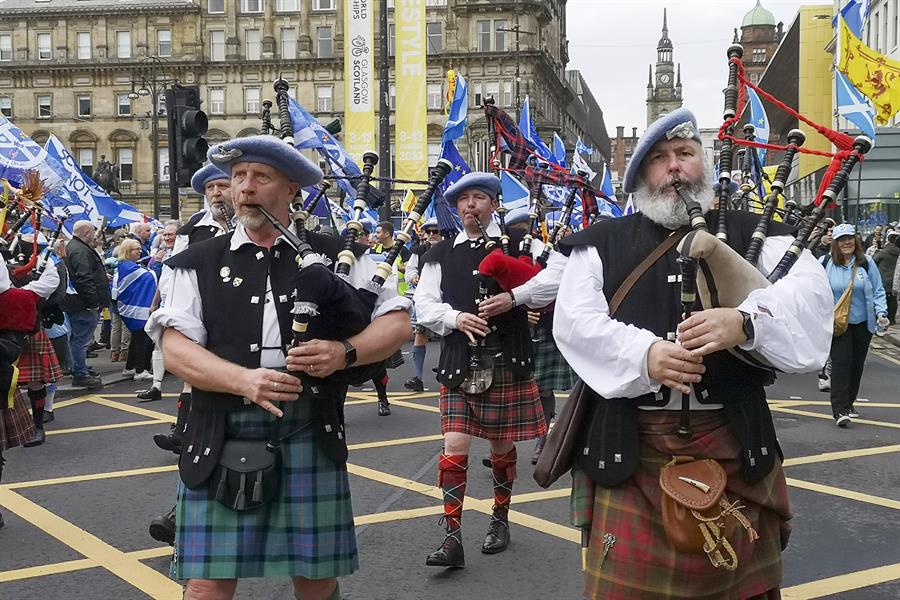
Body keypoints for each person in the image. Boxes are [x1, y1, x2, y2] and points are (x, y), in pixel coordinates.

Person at [553, 108, 832, 599]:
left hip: (731, 435)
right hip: (633, 445)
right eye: (659, 159)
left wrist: (745, 323)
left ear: (704, 164)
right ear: (641, 178)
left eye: (684, 154)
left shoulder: (757, 233)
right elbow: (575, 322)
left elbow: (809, 300)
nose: (674, 168)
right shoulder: (601, 243)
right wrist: (645, 355)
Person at [146, 135, 410, 600]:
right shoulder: (196, 261)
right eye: (238, 177)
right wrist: (242, 380)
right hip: (219, 428)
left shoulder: (333, 255)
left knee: (315, 578)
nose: (245, 188)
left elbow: (396, 321)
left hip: (307, 426)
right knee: (205, 583)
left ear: (291, 190)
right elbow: (176, 348)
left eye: (260, 177)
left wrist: (343, 352)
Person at [414, 172, 551, 568]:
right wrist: (457, 318)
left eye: (479, 198)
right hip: (460, 361)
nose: (471, 205)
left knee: (500, 448)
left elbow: (555, 281)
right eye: (464, 200)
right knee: (453, 447)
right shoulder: (440, 254)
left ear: (494, 204)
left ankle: (500, 518)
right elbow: (423, 305)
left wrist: (516, 298)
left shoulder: (522, 244)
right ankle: (452, 538)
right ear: (456, 209)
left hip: (506, 358)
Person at [147, 163, 234, 547]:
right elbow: (171, 277)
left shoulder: (265, 225)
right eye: (211, 187)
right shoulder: (191, 231)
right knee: (207, 435)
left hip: (256, 344)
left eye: (223, 185)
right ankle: (181, 516)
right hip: (207, 338)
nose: (217, 193)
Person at [820, 224, 889, 426]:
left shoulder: (866, 263)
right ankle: (840, 410)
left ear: (855, 241)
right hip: (838, 325)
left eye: (850, 238)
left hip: (863, 323)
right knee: (841, 365)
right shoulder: (825, 263)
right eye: (842, 239)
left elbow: (878, 290)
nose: (847, 242)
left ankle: (848, 403)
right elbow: (813, 289)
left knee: (856, 366)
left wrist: (881, 312)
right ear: (835, 243)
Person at [60, 221, 110, 388]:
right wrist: (92, 303)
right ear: (87, 233)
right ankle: (80, 373)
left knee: (77, 339)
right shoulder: (80, 250)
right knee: (80, 340)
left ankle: (78, 367)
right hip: (83, 304)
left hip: (77, 302)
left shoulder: (74, 247)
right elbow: (84, 278)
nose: (95, 235)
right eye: (93, 232)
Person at [404, 218, 442, 392]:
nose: (432, 235)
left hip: (446, 299)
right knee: (420, 336)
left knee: (448, 337)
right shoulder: (418, 251)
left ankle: (445, 368)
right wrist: (412, 277)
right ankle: (418, 378)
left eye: (436, 231)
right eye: (429, 232)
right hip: (424, 300)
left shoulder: (451, 249)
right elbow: (410, 270)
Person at [113, 239, 157, 381]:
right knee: (142, 339)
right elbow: (149, 276)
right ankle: (140, 370)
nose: (139, 251)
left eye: (139, 248)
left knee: (137, 338)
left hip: (132, 307)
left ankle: (130, 367)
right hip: (134, 308)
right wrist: (158, 264)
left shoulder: (127, 265)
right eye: (136, 249)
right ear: (127, 251)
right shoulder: (127, 266)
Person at [873, 230, 898, 324]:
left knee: (885, 299)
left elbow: (874, 261)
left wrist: (876, 252)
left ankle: (884, 317)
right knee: (893, 299)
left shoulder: (884, 251)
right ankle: (892, 319)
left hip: (884, 279)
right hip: (895, 279)